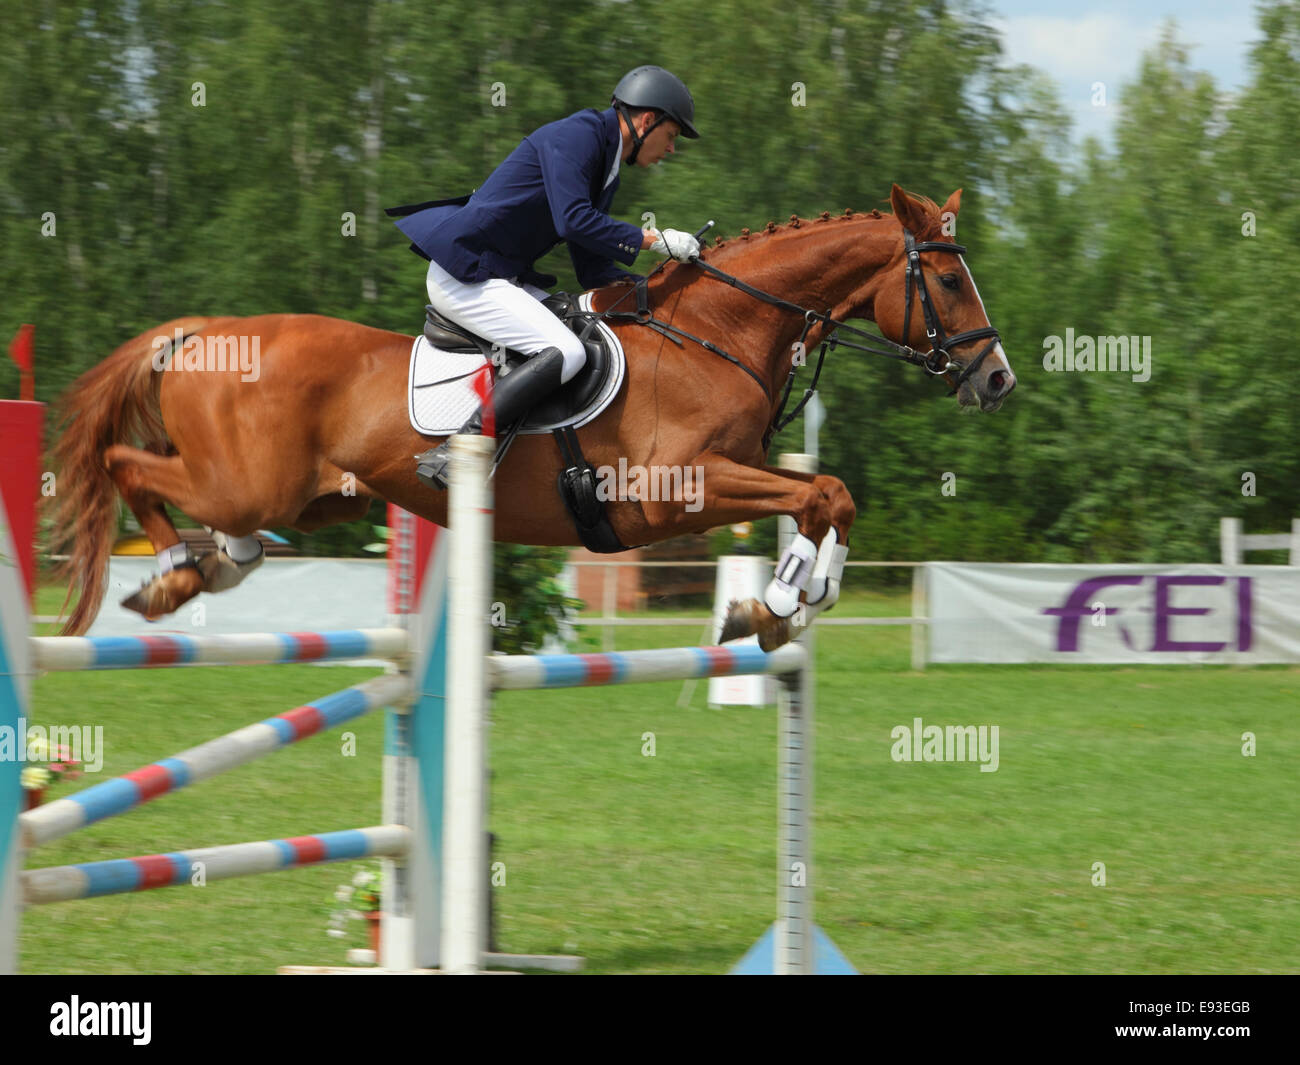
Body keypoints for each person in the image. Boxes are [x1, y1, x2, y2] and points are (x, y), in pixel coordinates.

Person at [389, 65, 702, 490]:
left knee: (583, 322)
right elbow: (574, 221)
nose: (670, 150)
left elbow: (591, 265)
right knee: (566, 351)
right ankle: (462, 446)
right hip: (465, 274)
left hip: (495, 276)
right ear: (647, 121)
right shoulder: (579, 136)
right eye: (672, 137)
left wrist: (649, 286)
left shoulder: (605, 163)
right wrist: (654, 240)